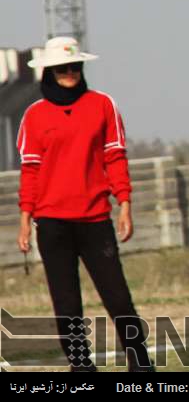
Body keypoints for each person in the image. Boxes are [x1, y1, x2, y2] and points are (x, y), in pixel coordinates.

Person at [16, 36, 154, 372]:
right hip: (52, 224)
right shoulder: (34, 115)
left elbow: (115, 158)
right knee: (66, 304)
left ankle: (140, 363)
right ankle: (81, 367)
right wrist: (25, 220)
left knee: (118, 297)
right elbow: (30, 170)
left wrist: (125, 203)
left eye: (75, 66)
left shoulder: (102, 105)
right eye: (62, 68)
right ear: (49, 72)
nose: (69, 73)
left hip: (95, 220)